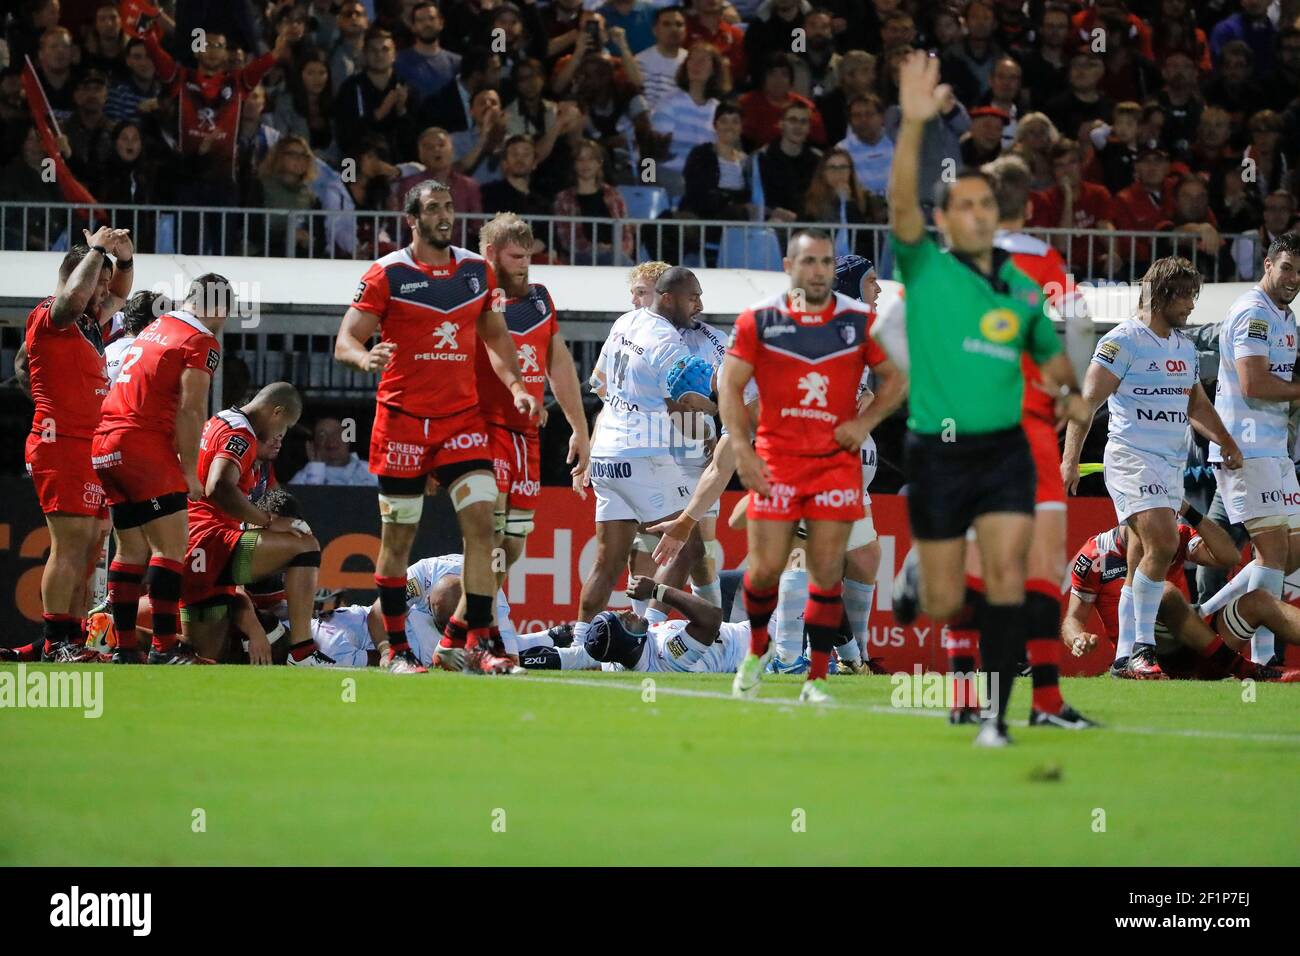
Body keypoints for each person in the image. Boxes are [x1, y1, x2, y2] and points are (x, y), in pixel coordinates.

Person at [888, 50, 1089, 746]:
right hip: (980, 436)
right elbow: (1079, 330)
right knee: (1021, 575)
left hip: (1007, 436)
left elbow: (1056, 342)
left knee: (1005, 574)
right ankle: (1033, 698)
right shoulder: (1030, 263)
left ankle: (987, 710)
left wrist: (1064, 385)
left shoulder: (1018, 278)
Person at [334, 179, 540, 675]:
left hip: (461, 424)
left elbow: (495, 335)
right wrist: (365, 359)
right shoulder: (388, 274)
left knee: (483, 527)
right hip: (402, 424)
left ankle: (479, 643)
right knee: (398, 540)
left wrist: (515, 385)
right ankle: (397, 652)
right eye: (433, 208)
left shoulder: (475, 271)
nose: (445, 215)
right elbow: (345, 339)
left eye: (449, 206)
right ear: (413, 219)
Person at [721, 229, 900, 704]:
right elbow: (731, 387)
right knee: (764, 571)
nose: (817, 269)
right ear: (789, 266)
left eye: (825, 261)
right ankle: (760, 653)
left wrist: (866, 421)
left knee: (827, 571)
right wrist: (743, 451)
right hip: (779, 462)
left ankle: (816, 679)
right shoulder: (760, 320)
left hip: (834, 469)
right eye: (809, 261)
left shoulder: (860, 322)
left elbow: (897, 379)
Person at [1062, 257, 1244, 680]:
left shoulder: (1183, 346)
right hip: (1129, 458)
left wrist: (1226, 441)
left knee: (1142, 552)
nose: (1192, 307)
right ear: (1163, 294)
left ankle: (1125, 658)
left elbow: (1195, 404)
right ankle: (1141, 648)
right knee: (1163, 541)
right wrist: (1070, 458)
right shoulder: (1122, 341)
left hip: (1169, 465)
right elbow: (1086, 402)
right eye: (1186, 296)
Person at [93, 273, 236, 664]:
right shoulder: (201, 341)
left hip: (107, 443)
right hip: (143, 445)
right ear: (220, 308)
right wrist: (190, 472)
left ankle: (124, 649)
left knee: (131, 548)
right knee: (171, 548)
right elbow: (191, 410)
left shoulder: (158, 325)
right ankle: (165, 647)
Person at [576, 266, 715, 649]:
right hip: (642, 456)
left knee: (608, 561)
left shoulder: (625, 321)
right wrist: (718, 411)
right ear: (668, 298)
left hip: (607, 454)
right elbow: (686, 398)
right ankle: (644, 633)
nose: (699, 304)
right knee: (689, 545)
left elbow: (600, 382)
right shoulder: (667, 340)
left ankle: (579, 644)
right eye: (693, 296)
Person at [20, 229, 132, 661]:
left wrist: (122, 259)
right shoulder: (52, 314)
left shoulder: (87, 324)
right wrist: (100, 249)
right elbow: (70, 300)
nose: (105, 293)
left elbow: (120, 295)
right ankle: (55, 643)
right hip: (58, 442)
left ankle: (72, 638)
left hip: (88, 446)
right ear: (75, 276)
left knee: (89, 546)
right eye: (97, 283)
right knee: (69, 545)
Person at [1194, 233, 1300, 667]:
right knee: (1273, 556)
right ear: (1268, 264)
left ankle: (1199, 616)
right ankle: (1260, 659)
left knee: (1288, 555)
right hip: (1246, 448)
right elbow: (1254, 382)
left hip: (1275, 451)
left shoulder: (1286, 316)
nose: (1294, 278)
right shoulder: (1252, 312)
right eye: (1288, 267)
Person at [476, 213, 590, 606]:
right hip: (484, 428)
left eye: (527, 256)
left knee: (513, 539)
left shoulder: (541, 300)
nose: (524, 265)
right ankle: (477, 626)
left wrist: (580, 429)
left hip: (526, 436)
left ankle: (471, 615)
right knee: (486, 533)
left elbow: (558, 364)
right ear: (491, 254)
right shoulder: (475, 297)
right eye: (514, 257)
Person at [182, 382, 333, 667]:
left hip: (199, 549)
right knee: (305, 547)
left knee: (205, 660)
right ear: (276, 413)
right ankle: (302, 653)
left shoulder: (221, 420)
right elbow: (218, 486)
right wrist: (266, 522)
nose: (281, 436)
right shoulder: (241, 434)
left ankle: (115, 636)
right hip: (209, 541)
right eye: (284, 427)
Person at [1064, 523, 1297, 682]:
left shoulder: (1174, 535)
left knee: (1260, 601)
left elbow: (1230, 556)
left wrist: (1191, 511)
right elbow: (1073, 619)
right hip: (1157, 659)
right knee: (1163, 591)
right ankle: (1241, 667)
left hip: (1200, 646)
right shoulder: (1095, 554)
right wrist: (1077, 638)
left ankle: (1236, 665)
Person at [552, 139, 636, 266]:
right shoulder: (564, 198)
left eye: (590, 159)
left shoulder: (613, 194)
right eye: (580, 159)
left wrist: (616, 250)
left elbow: (626, 232)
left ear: (599, 163)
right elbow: (567, 239)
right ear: (574, 164)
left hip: (616, 255)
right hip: (581, 257)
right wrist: (596, 249)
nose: (585, 164)